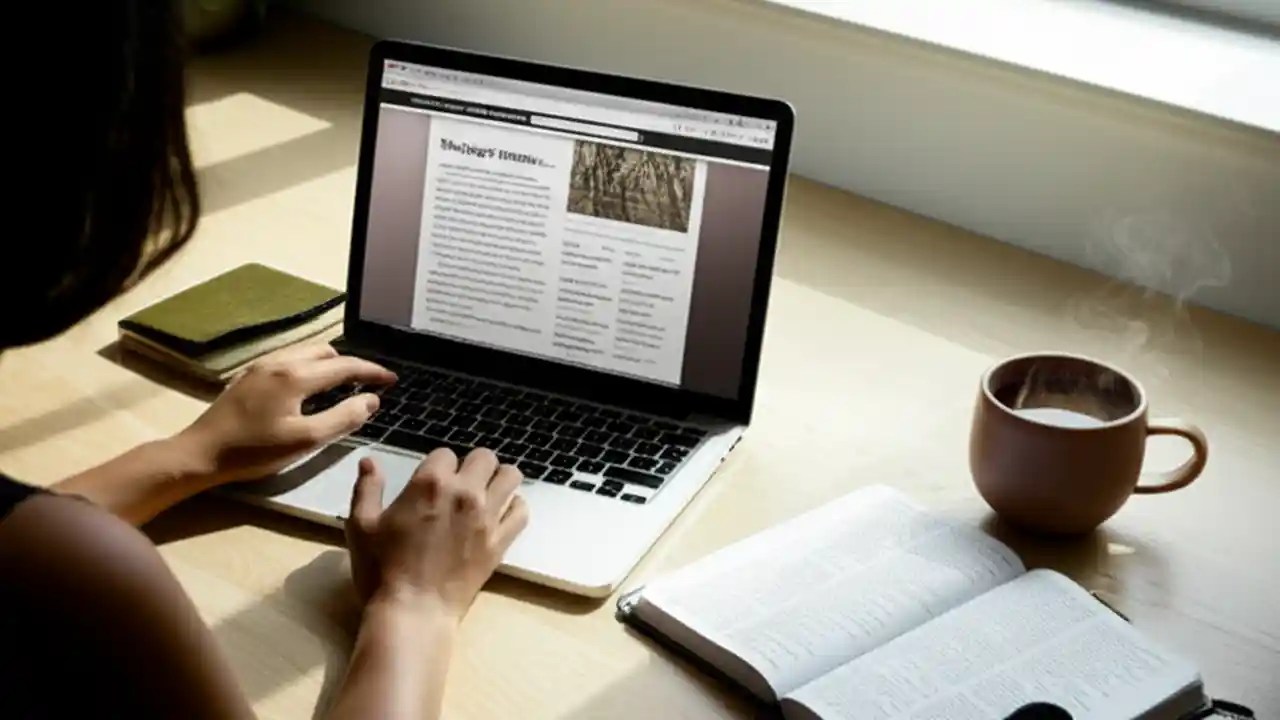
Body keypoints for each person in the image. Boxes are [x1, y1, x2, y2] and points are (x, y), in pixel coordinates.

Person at [0, 3, 528, 718]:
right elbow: (43, 556)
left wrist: (191, 454)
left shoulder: (49, 550)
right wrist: (416, 605)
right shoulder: (78, 575)